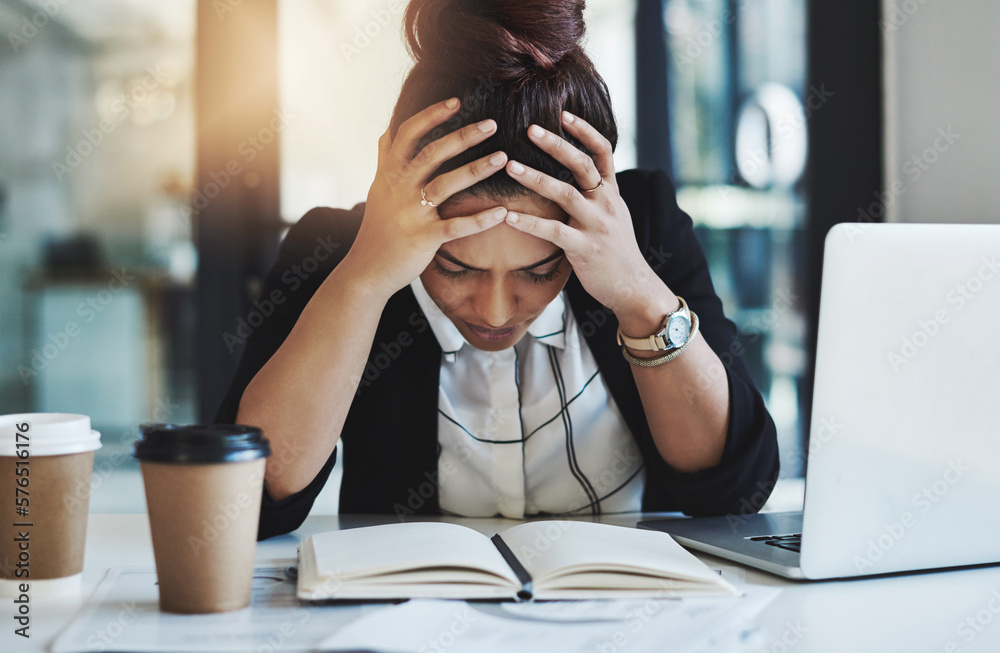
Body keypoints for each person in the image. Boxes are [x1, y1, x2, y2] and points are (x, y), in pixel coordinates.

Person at [215, 0, 779, 540]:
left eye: (538, 271)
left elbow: (736, 492)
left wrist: (638, 294)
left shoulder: (639, 229)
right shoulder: (339, 251)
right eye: (455, 266)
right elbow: (250, 503)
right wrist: (364, 280)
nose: (495, 312)